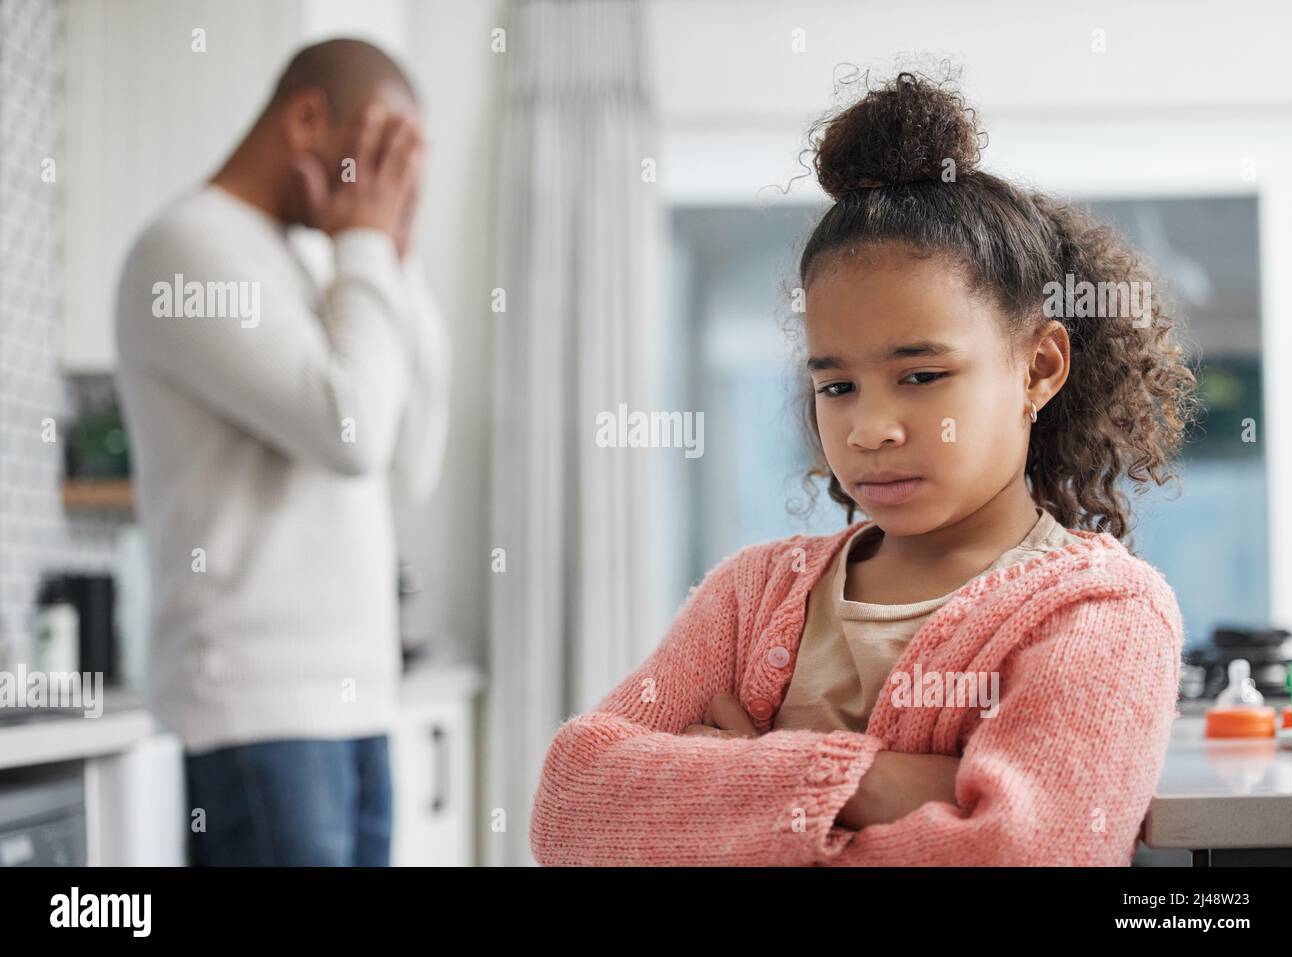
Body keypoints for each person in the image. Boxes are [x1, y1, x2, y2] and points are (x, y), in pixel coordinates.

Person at [529, 70, 1198, 866]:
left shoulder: (1102, 615)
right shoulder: (751, 596)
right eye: (836, 385)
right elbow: (573, 803)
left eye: (920, 376)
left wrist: (734, 783)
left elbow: (1022, 852)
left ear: (1039, 367)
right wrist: (880, 779)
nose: (869, 429)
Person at [113, 38, 450, 866]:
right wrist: (366, 247)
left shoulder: (313, 260)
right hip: (258, 717)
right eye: (379, 157)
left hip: (356, 708)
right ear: (307, 119)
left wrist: (393, 258)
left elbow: (414, 453)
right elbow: (352, 431)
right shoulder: (187, 248)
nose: (388, 185)